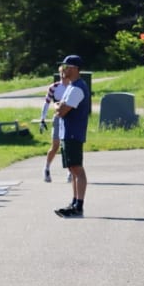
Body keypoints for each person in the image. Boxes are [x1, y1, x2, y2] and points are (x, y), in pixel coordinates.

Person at [54, 55, 91, 217]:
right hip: (67, 132)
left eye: (67, 66)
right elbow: (60, 106)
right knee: (72, 168)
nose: (64, 69)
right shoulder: (71, 86)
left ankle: (79, 205)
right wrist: (59, 106)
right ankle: (74, 202)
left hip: (73, 133)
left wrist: (59, 106)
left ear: (75, 69)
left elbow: (61, 111)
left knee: (77, 168)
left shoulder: (77, 88)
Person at [40, 67, 70, 183]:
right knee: (55, 145)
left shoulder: (72, 87)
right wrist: (42, 118)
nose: (63, 75)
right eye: (62, 72)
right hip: (58, 117)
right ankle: (47, 168)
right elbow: (47, 103)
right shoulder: (54, 87)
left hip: (69, 118)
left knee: (67, 145)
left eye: (65, 72)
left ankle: (70, 171)